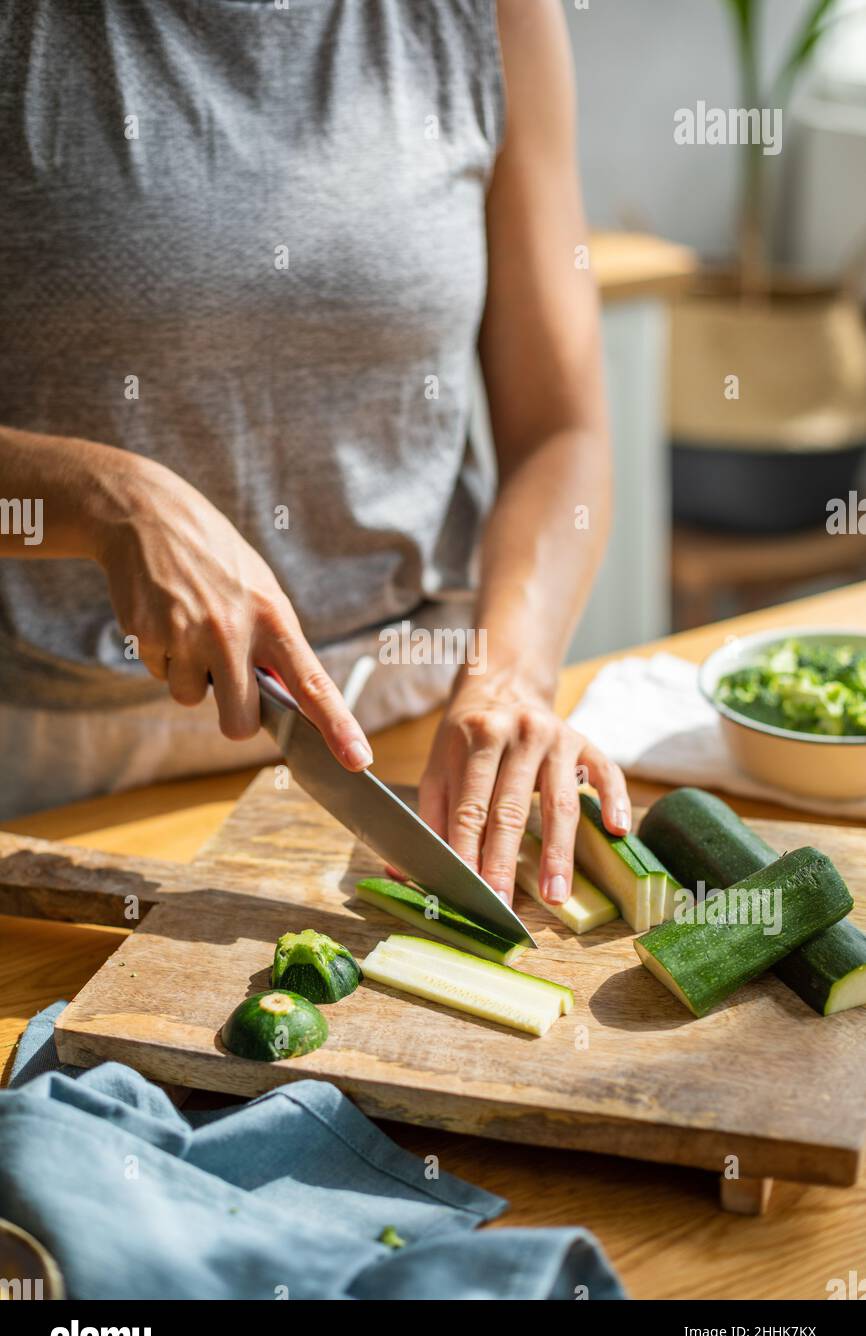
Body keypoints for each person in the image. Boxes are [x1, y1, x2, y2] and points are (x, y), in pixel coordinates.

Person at [0, 0, 630, 908]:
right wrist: (108, 502)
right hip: (66, 769)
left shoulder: (496, 14)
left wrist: (511, 675)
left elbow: (563, 433)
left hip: (418, 735)